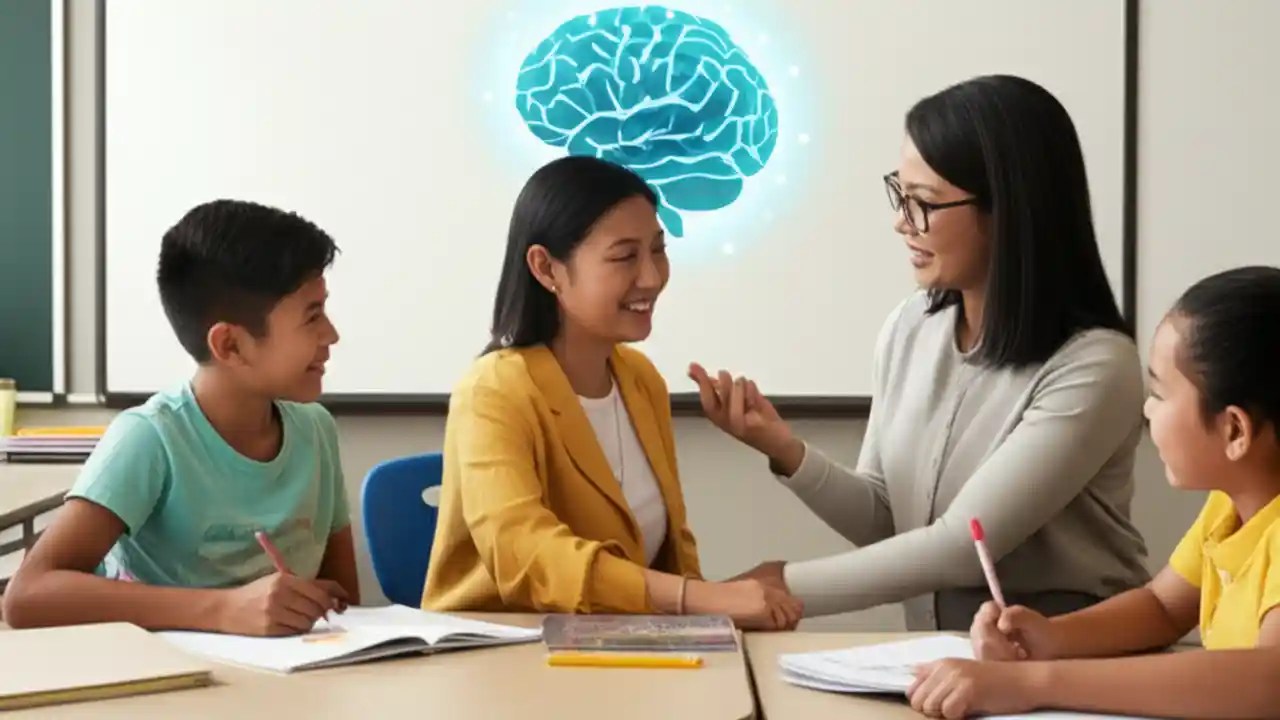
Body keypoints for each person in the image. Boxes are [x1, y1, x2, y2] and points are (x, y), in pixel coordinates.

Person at [691, 74, 1150, 630]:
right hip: (945, 668)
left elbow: (962, 544)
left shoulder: (1096, 366)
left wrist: (780, 584)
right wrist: (784, 449)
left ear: (1010, 208)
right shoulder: (912, 327)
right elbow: (892, 520)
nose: (901, 221)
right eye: (899, 194)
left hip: (1072, 671)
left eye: (924, 203)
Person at [421, 156, 802, 629]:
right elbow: (527, 554)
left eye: (658, 250)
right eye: (625, 257)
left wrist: (716, 611)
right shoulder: (493, 389)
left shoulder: (640, 379)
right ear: (546, 269)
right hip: (507, 664)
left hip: (621, 651)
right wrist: (700, 598)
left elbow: (671, 554)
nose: (652, 277)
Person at [908, 266, 1280, 720]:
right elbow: (1162, 607)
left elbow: (1267, 681)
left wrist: (1029, 684)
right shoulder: (1230, 507)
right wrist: (1051, 637)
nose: (1146, 409)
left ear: (1234, 429)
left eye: (1159, 395)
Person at [3, 200, 358, 636]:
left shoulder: (316, 430)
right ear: (230, 346)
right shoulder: (151, 438)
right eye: (313, 316)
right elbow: (25, 598)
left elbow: (346, 606)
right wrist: (223, 609)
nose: (332, 335)